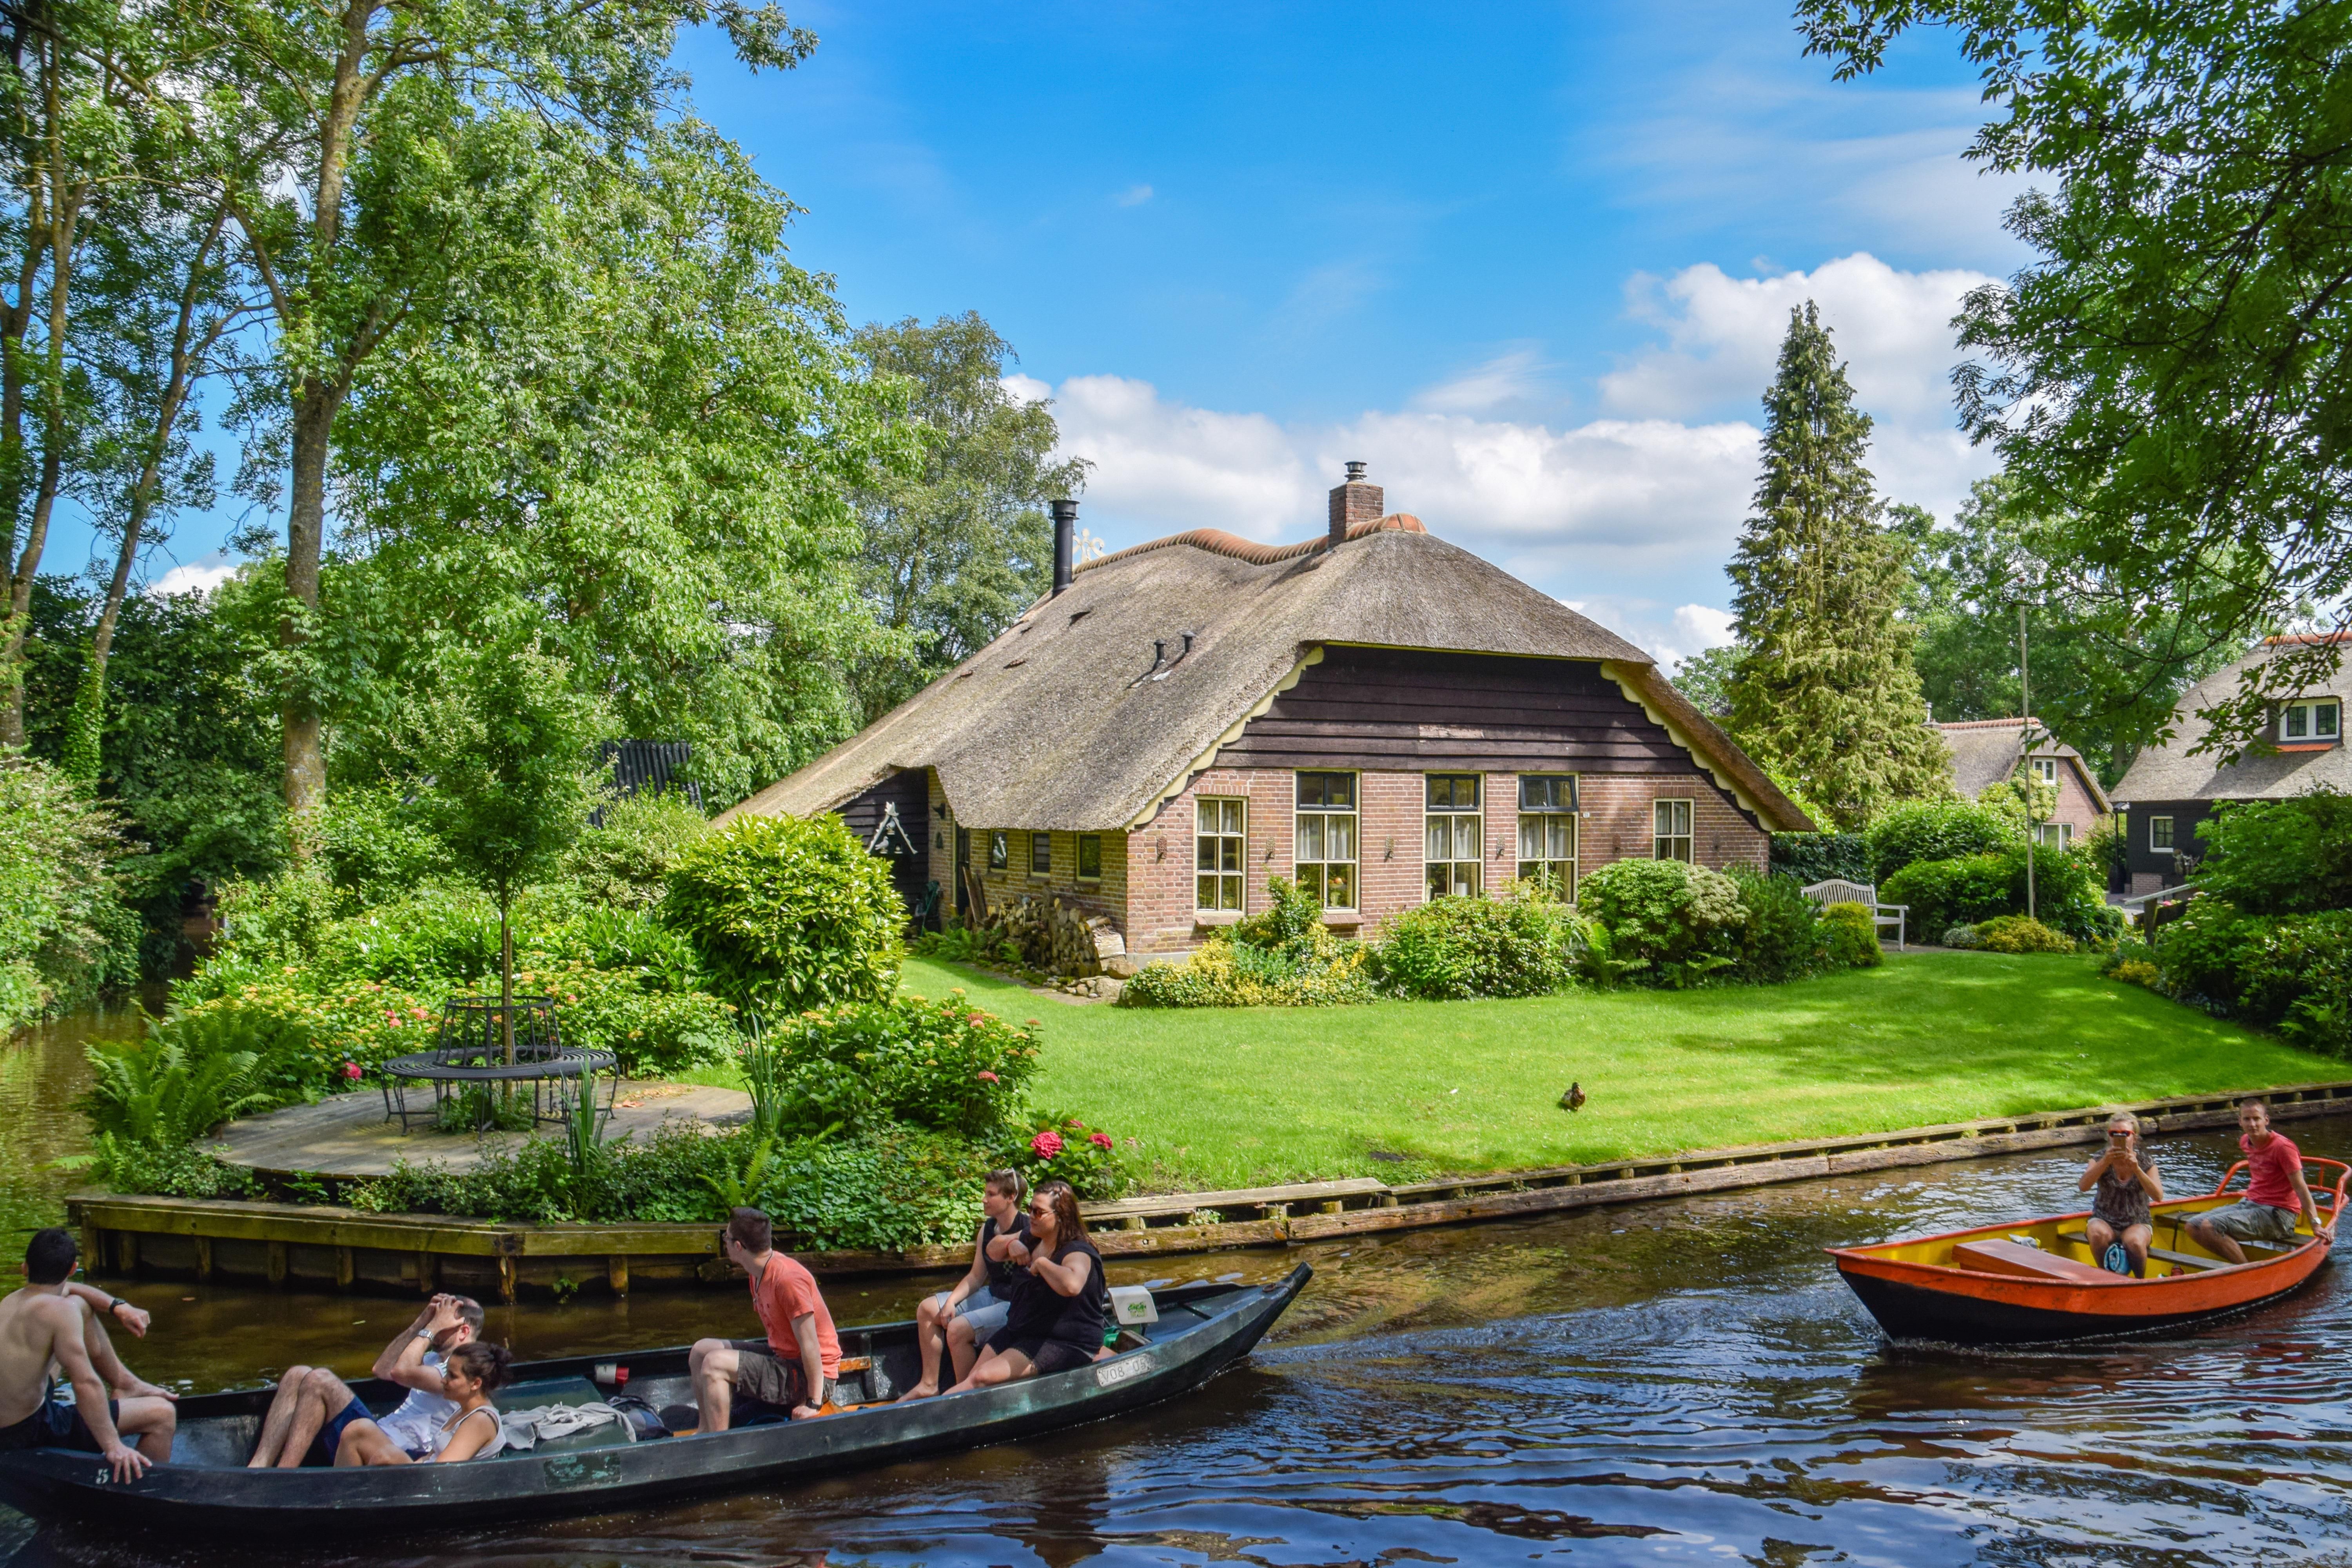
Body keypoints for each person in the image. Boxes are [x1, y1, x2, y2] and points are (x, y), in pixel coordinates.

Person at [0, 1228, 176, 1481]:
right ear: (73, 1268)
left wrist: (119, 1307)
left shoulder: (11, 1301)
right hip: (25, 1429)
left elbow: (73, 1290)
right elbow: (85, 1383)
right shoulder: (59, 1312)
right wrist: (112, 1445)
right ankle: (142, 1497)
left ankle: (126, 1384)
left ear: (25, 1268)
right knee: (163, 1414)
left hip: (15, 1411)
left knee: (80, 1305)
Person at [245, 1293, 486, 1468]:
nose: (435, 1325)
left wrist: (431, 1329)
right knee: (297, 1373)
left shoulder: (461, 1373)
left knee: (320, 1379)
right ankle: (258, 1468)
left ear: (463, 1331)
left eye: (443, 1321)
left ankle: (284, 1476)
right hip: (378, 1434)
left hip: (402, 1453)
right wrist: (421, 1323)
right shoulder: (432, 1357)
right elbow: (382, 1369)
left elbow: (401, 1372)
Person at [947, 1180, 1110, 1392]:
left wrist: (1042, 1264)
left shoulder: (1078, 1251)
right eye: (1030, 1209)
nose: (1031, 1216)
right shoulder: (1033, 1238)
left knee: (981, 1379)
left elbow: (1072, 1285)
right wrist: (1010, 1243)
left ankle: (928, 1419)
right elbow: (992, 1251)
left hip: (1065, 1341)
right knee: (972, 1381)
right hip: (1024, 1329)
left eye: (1039, 1212)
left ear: (1061, 1217)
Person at [688, 1207, 840, 1431]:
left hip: (814, 1378)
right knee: (701, 1351)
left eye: (727, 1238)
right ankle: (705, 1432)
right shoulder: (756, 1272)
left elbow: (811, 1345)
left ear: (738, 1247)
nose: (725, 1242)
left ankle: (720, 1448)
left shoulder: (788, 1280)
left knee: (715, 1365)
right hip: (785, 1359)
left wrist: (814, 1403)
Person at [898, 1169, 1030, 1401]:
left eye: (991, 1194)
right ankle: (929, 1384)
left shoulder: (1030, 1229)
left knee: (958, 1329)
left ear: (1010, 1198)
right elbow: (976, 1277)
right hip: (993, 1294)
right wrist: (950, 1302)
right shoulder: (987, 1229)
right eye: (985, 1193)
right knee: (928, 1309)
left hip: (1016, 1304)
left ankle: (965, 1395)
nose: (984, 1199)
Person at [2188, 1098, 2336, 1265]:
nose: (2252, 1124)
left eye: (2257, 1119)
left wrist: (2316, 1224)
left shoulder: (2283, 1148)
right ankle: (2235, 1261)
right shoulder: (2245, 1141)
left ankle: (2247, 1270)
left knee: (2210, 1227)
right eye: (2247, 1119)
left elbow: (2301, 1188)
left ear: (2266, 1120)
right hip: (2251, 1203)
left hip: (2280, 1214)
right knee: (2193, 1226)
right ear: (2240, 1122)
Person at [321, 1341, 514, 1467]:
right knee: (358, 1429)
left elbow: (442, 1473)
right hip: (424, 1473)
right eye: (446, 1373)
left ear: (476, 1384)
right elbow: (430, 1457)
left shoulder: (479, 1421)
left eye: (452, 1376)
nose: (443, 1381)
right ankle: (340, 1493)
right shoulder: (462, 1411)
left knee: (386, 1456)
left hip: (434, 1489)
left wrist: (393, 1460)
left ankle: (349, 1502)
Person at [2080, 1112, 2163, 1276]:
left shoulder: (2146, 1163)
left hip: (2137, 1222)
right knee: (2097, 1233)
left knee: (2134, 1242)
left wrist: (2137, 1169)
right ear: (2108, 1137)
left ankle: (2140, 1282)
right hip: (2104, 1219)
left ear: (2134, 1138)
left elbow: (2158, 1196)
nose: (2119, 1137)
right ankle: (2108, 1278)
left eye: (2125, 1134)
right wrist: (2105, 1162)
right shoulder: (2099, 1159)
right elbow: (2084, 1186)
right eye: (2114, 1134)